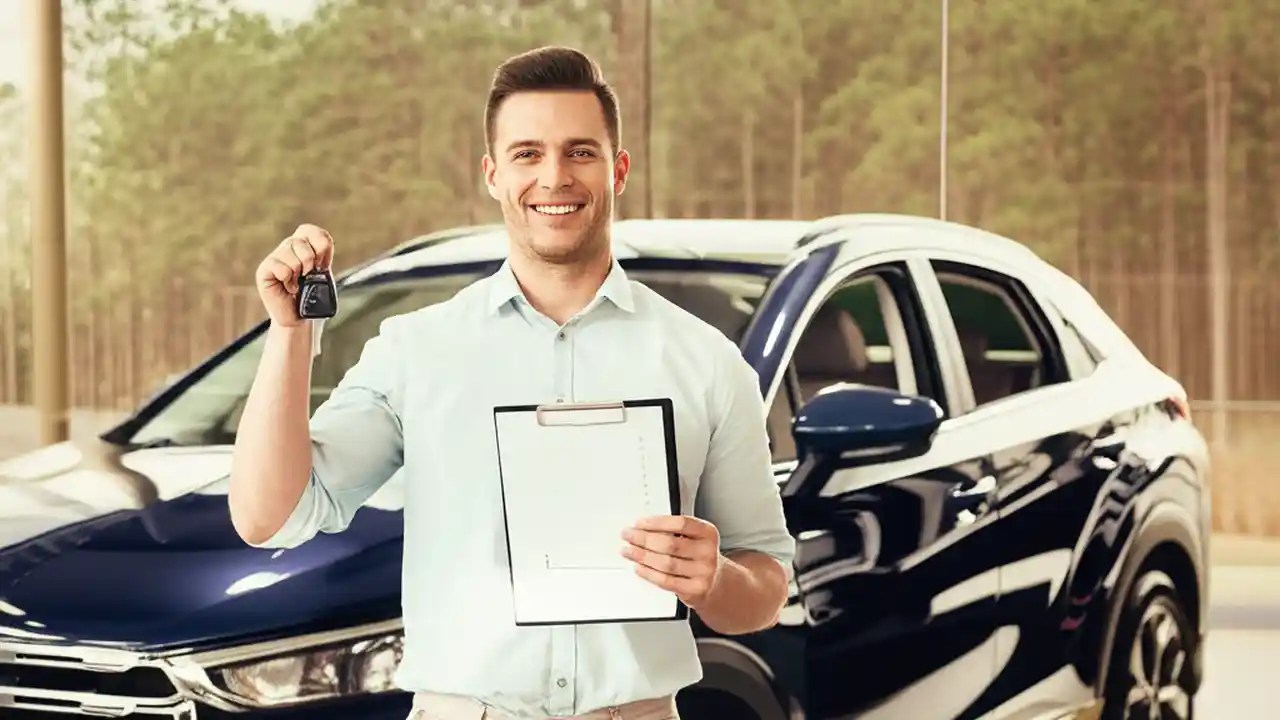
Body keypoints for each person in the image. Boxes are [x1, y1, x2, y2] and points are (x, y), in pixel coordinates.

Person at [228, 45, 795, 720]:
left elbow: (764, 586)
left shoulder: (705, 362)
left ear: (618, 171)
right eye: (528, 154)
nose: (554, 176)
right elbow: (272, 516)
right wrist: (291, 335)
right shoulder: (418, 351)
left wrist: (716, 581)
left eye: (580, 152)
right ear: (493, 175)